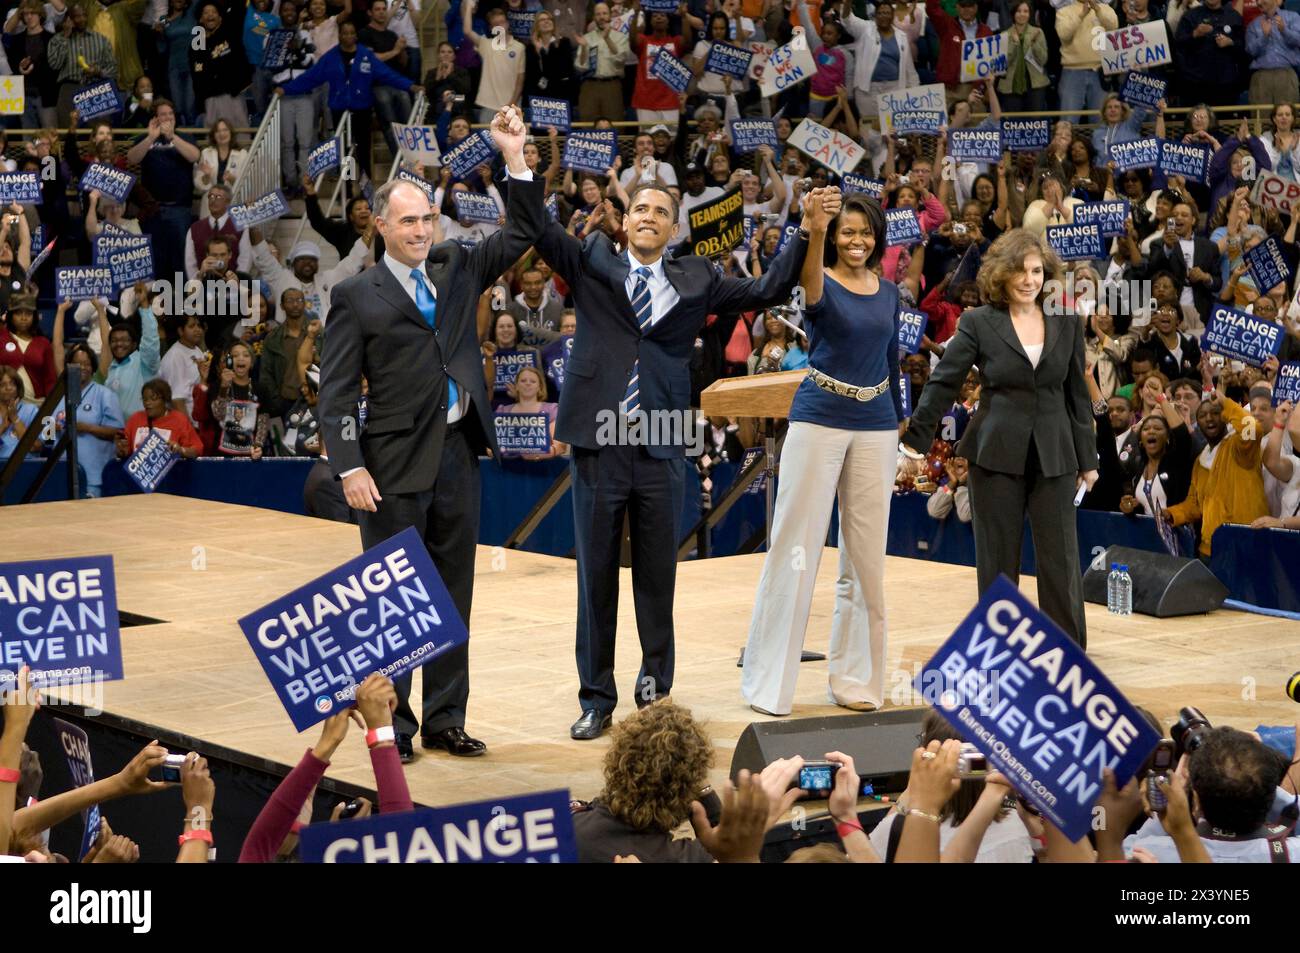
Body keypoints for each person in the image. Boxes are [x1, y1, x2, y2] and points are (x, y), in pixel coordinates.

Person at [532, 178, 817, 741]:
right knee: (596, 579)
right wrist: (519, 162)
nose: (649, 217)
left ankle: (655, 686)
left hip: (662, 442)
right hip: (599, 443)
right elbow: (540, 231)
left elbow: (768, 288)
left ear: (673, 226)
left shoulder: (699, 276)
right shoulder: (592, 260)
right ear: (627, 219)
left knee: (658, 575)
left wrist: (804, 229)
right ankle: (596, 698)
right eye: (640, 208)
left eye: (661, 211)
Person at [317, 105, 543, 763]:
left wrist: (515, 157)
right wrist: (348, 465)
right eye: (408, 221)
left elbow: (525, 226)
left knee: (451, 591)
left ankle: (447, 717)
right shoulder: (354, 296)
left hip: (456, 451)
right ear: (381, 226)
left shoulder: (456, 265)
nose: (420, 230)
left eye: (427, 219)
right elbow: (334, 393)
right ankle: (399, 727)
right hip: (387, 465)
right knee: (395, 601)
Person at [743, 191, 908, 717]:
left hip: (877, 425)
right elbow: (809, 287)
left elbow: (892, 362)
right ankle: (769, 684)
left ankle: (857, 680)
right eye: (847, 232)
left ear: (877, 237)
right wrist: (813, 227)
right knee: (795, 549)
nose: (856, 241)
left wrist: (899, 428)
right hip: (818, 419)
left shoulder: (889, 293)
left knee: (865, 562)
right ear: (834, 237)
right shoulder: (819, 280)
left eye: (865, 233)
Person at [901, 229, 1099, 647]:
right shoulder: (977, 322)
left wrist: (1089, 459)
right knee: (997, 561)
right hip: (994, 454)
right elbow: (943, 381)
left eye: (1036, 271)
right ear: (1001, 275)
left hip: (1056, 454)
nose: (1029, 280)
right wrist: (915, 440)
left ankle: (1067, 655)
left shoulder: (1066, 322)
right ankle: (999, 651)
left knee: (1060, 561)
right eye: (1019, 271)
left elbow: (1077, 396)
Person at [118, 377, 203, 459]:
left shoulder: (179, 420)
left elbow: (197, 450)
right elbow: (125, 451)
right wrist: (122, 451)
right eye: (145, 399)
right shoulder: (135, 419)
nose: (147, 403)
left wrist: (181, 450)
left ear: (165, 399)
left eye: (153, 399)